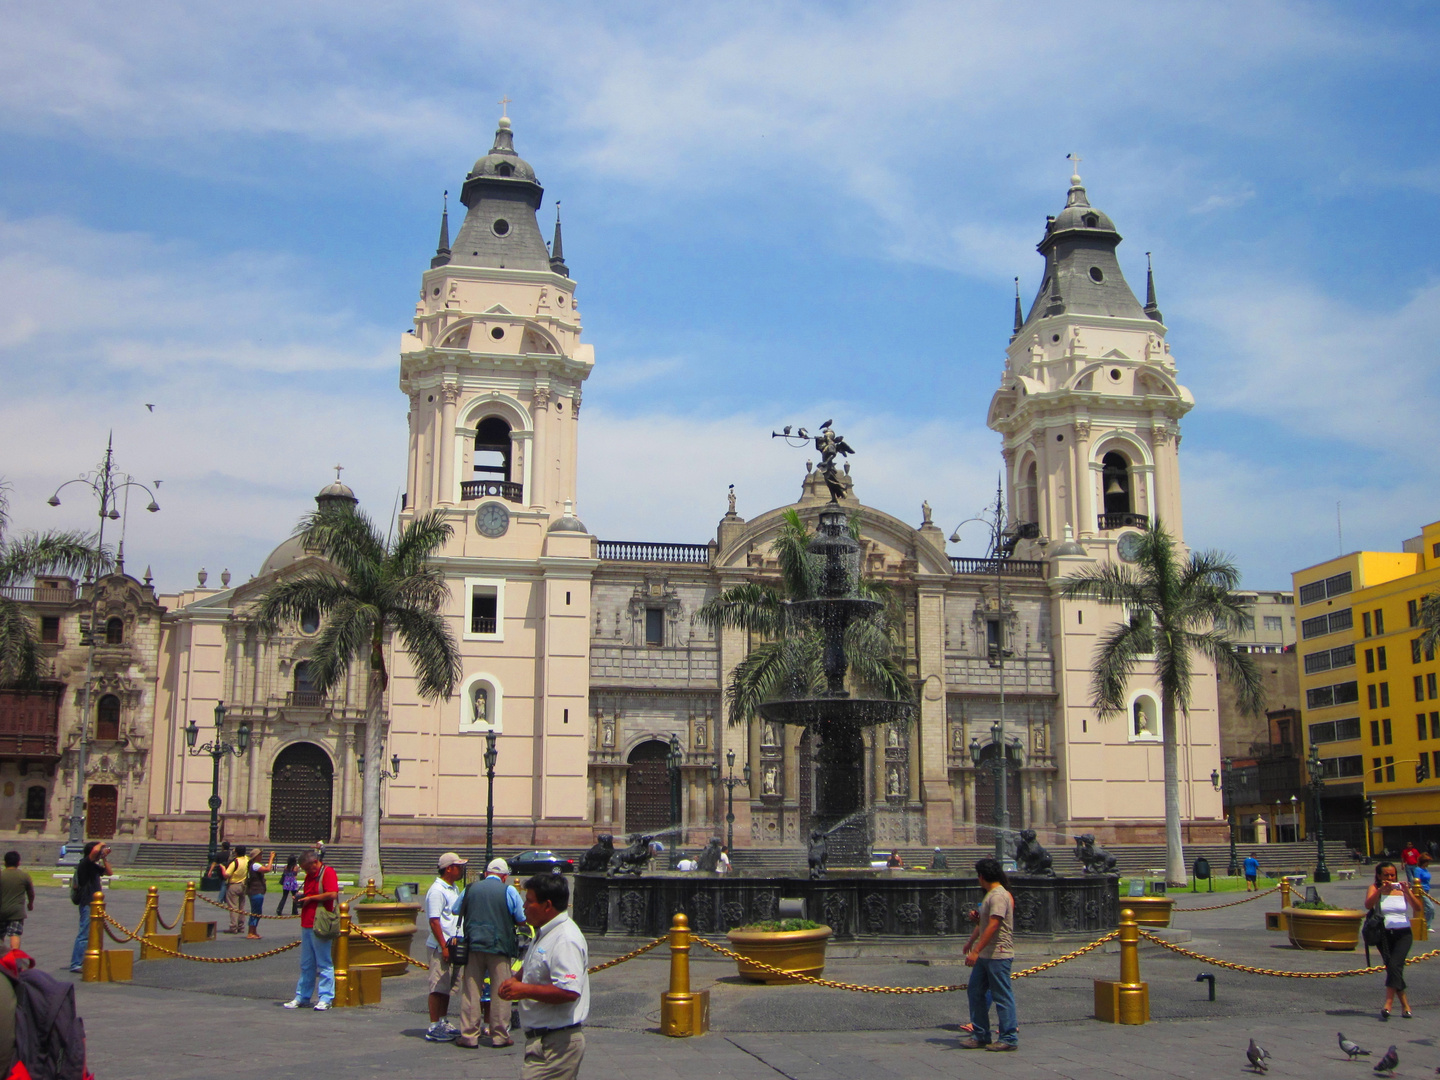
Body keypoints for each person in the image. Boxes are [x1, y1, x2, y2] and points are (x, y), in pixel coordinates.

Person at [497, 873, 589, 1080]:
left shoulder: (565, 939)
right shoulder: (544, 933)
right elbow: (536, 964)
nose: (523, 906)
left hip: (556, 1044)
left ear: (547, 905)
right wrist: (517, 979)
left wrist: (524, 990)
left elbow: (569, 991)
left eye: (529, 901)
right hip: (544, 1042)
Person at [453, 858, 527, 1049]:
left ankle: (469, 1035)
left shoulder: (470, 889)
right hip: (500, 946)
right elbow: (520, 918)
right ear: (504, 877)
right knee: (501, 991)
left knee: (471, 991)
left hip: (473, 945)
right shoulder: (508, 890)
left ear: (486, 874)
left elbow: (455, 910)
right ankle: (500, 1035)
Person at [960, 857, 1017, 1051]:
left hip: (998, 953)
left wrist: (975, 950)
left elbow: (994, 924)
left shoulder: (999, 895)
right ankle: (981, 1034)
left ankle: (1009, 1037)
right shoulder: (990, 895)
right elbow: (985, 923)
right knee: (975, 991)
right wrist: (971, 940)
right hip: (986, 954)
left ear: (982, 876)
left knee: (1002, 995)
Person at [1366, 860, 1423, 1020]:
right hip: (1383, 934)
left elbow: (1418, 908)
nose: (1390, 878)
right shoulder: (1375, 888)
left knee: (1395, 965)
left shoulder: (1401, 889)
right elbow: (1368, 904)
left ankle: (1388, 1004)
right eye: (1386, 875)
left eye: (1393, 875)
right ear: (1378, 876)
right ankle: (1405, 1006)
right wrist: (1380, 892)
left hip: (1403, 933)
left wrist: (1407, 891)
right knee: (1393, 969)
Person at [285, 850, 339, 1011]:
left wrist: (311, 898)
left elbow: (332, 893)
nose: (307, 872)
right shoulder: (311, 875)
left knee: (324, 962)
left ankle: (326, 997)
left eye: (308, 868)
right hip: (307, 921)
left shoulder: (327, 872)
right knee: (306, 963)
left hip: (320, 922)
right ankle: (302, 996)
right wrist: (302, 897)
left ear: (315, 862)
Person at [424, 852, 468, 1043]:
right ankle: (434, 1025)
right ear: (449, 868)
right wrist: (443, 946)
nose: (461, 869)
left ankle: (442, 1020)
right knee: (437, 985)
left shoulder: (453, 888)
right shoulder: (437, 890)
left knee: (447, 986)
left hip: (453, 944)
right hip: (441, 945)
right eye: (458, 866)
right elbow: (434, 921)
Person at [69, 841, 111, 974]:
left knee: (93, 932)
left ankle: (88, 958)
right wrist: (101, 843)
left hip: (95, 903)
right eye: (98, 852)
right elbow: (93, 852)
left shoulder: (93, 866)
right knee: (84, 933)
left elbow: (109, 872)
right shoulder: (84, 864)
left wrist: (104, 858)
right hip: (87, 902)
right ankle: (76, 963)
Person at [0, 852, 34, 952]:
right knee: (15, 934)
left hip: (1, 910)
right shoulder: (24, 876)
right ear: (18, 863)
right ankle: (15, 958)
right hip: (16, 912)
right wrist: (30, 904)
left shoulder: (1, 875)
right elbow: (31, 892)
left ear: (5, 863)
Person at [245, 850, 276, 939]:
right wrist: (271, 859)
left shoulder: (255, 865)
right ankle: (251, 932)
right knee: (255, 912)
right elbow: (267, 869)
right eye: (260, 855)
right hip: (256, 891)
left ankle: (254, 931)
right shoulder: (255, 865)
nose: (262, 856)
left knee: (257, 912)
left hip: (257, 891)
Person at [221, 845, 251, 934]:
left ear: (236, 852)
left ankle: (233, 926)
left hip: (234, 885)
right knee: (241, 907)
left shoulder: (235, 862)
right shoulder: (247, 860)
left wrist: (222, 868)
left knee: (233, 907)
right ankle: (241, 926)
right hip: (243, 885)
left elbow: (226, 875)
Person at [1416, 854, 1435, 923]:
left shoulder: (1425, 869)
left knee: (1425, 909)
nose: (1428, 863)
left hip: (1427, 891)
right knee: (1430, 908)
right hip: (1421, 891)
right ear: (1423, 862)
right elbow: (1416, 880)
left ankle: (1423, 924)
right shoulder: (1418, 870)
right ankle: (1427, 925)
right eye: (1427, 862)